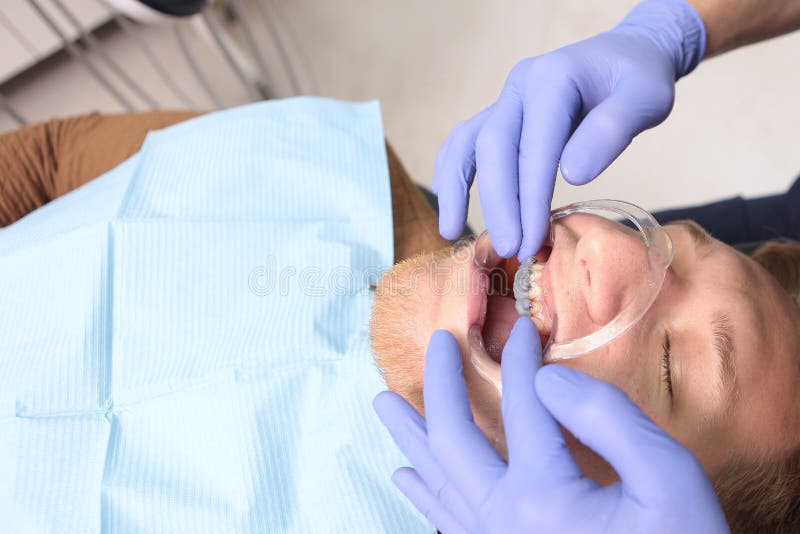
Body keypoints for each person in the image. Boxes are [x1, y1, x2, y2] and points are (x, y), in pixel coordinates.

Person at [374, 0, 800, 531]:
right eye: (668, 246)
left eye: (670, 366)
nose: (604, 246)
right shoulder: (338, 182)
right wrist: (675, 25)